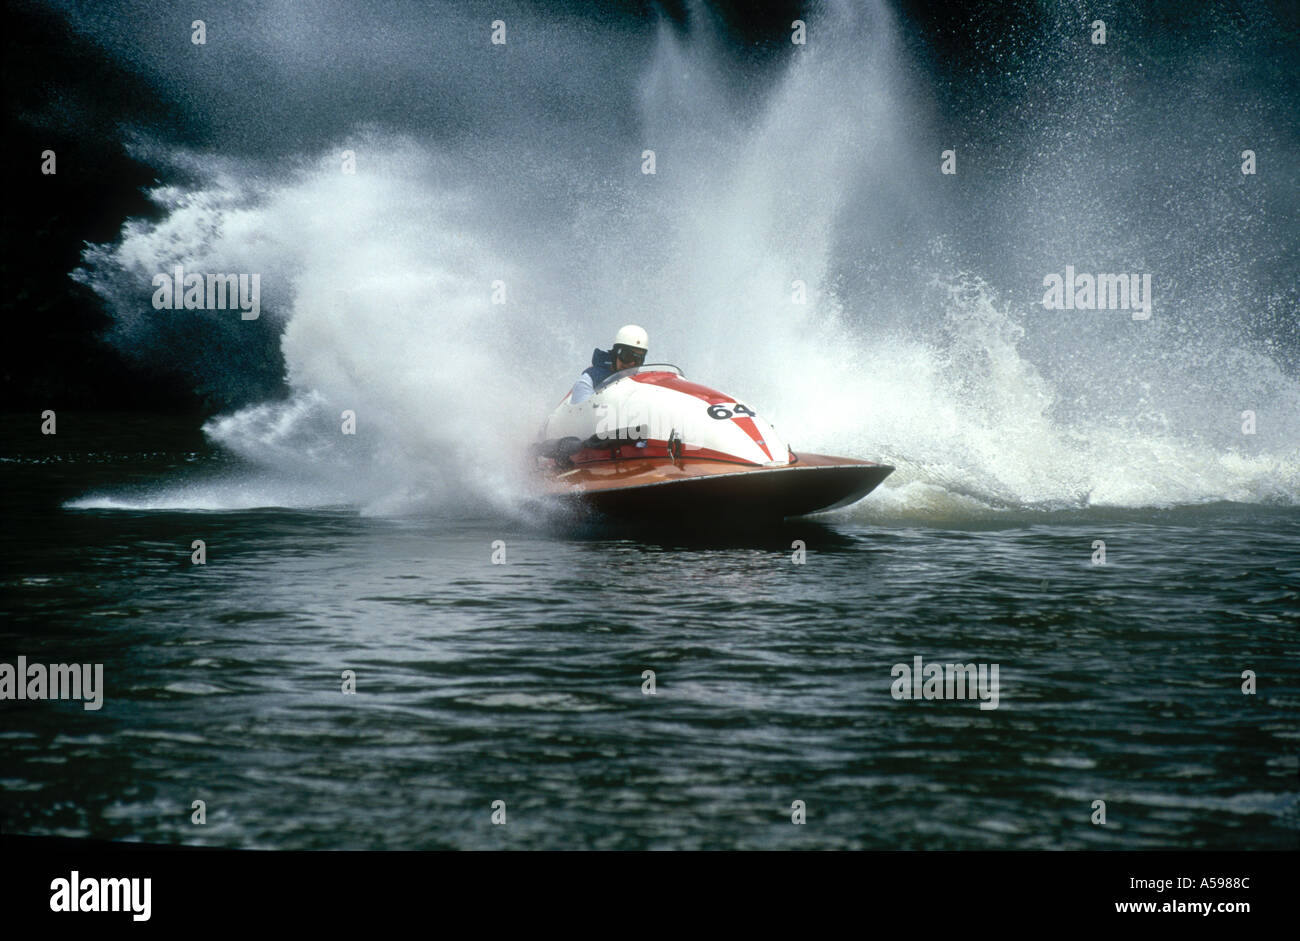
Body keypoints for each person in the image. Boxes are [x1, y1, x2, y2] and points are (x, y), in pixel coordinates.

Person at [569, 324, 648, 404]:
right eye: (627, 357)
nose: (632, 363)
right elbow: (579, 413)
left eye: (638, 359)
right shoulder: (589, 380)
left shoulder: (643, 382)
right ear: (616, 354)